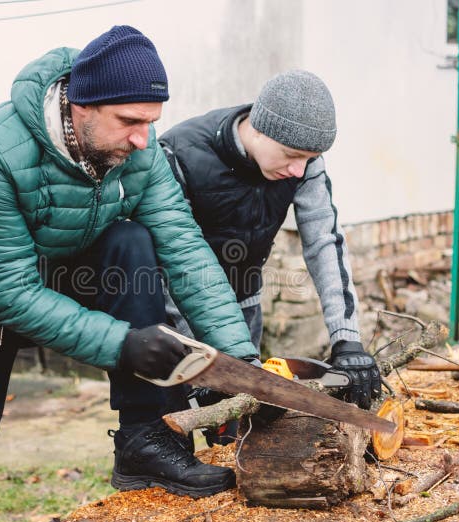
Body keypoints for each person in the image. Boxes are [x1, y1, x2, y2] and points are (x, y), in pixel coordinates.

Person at [0, 25, 258, 522]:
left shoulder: (139, 151)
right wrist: (125, 345)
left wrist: (238, 361)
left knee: (131, 241)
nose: (143, 138)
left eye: (151, 122)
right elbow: (8, 291)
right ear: (81, 106)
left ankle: (142, 438)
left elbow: (184, 247)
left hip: (51, 278)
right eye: (130, 121)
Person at [159, 70, 382, 413]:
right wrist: (204, 354)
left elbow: (325, 242)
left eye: (308, 159)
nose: (298, 170)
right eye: (291, 155)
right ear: (259, 127)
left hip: (245, 303)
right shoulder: (180, 153)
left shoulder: (304, 163)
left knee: (239, 424)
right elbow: (172, 254)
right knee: (177, 424)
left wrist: (346, 338)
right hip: (175, 313)